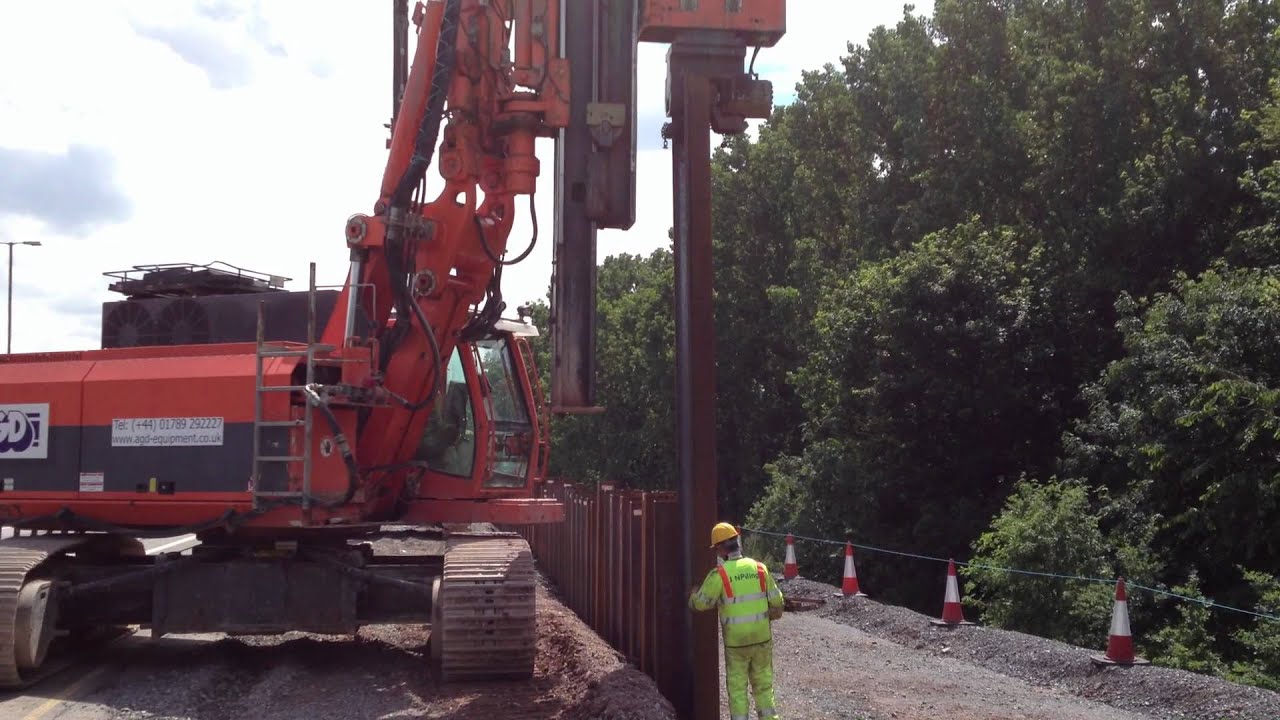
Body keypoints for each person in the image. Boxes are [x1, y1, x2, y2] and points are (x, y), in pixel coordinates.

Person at [688, 522, 784, 720]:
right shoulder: (759, 569)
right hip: (761, 640)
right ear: (737, 542)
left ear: (721, 548)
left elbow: (701, 604)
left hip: (736, 644)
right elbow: (777, 601)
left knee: (738, 691)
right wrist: (773, 612)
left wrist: (692, 596)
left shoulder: (720, 575)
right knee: (764, 688)